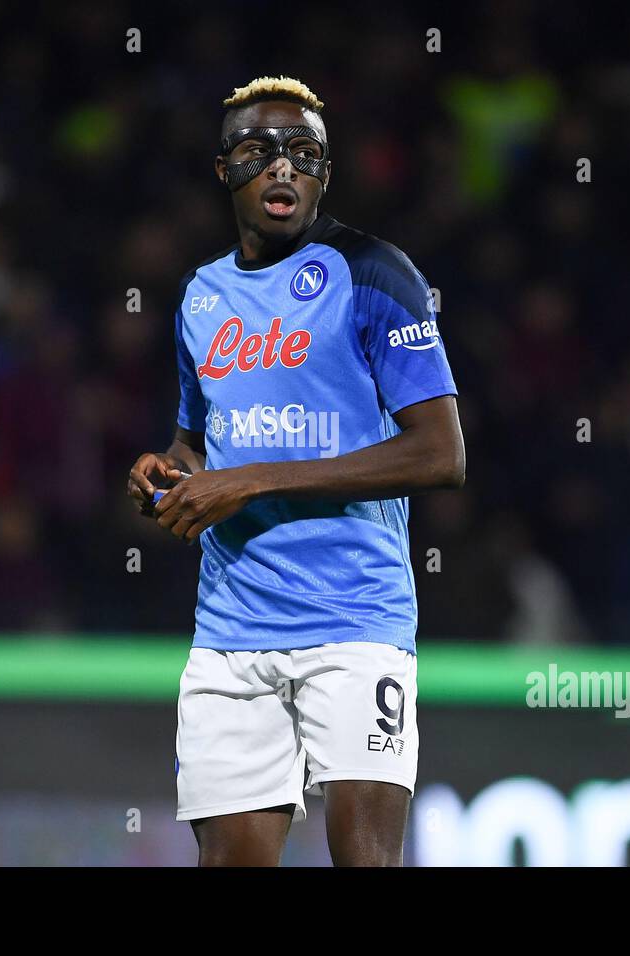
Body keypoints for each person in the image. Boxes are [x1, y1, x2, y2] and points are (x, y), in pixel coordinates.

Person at [127, 75, 465, 866]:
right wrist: (165, 473)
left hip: (354, 621)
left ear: (324, 173)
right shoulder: (200, 296)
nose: (283, 168)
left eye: (303, 154)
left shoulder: (377, 274)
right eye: (258, 151)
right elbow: (200, 448)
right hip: (231, 632)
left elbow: (440, 454)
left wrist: (252, 481)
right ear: (224, 170)